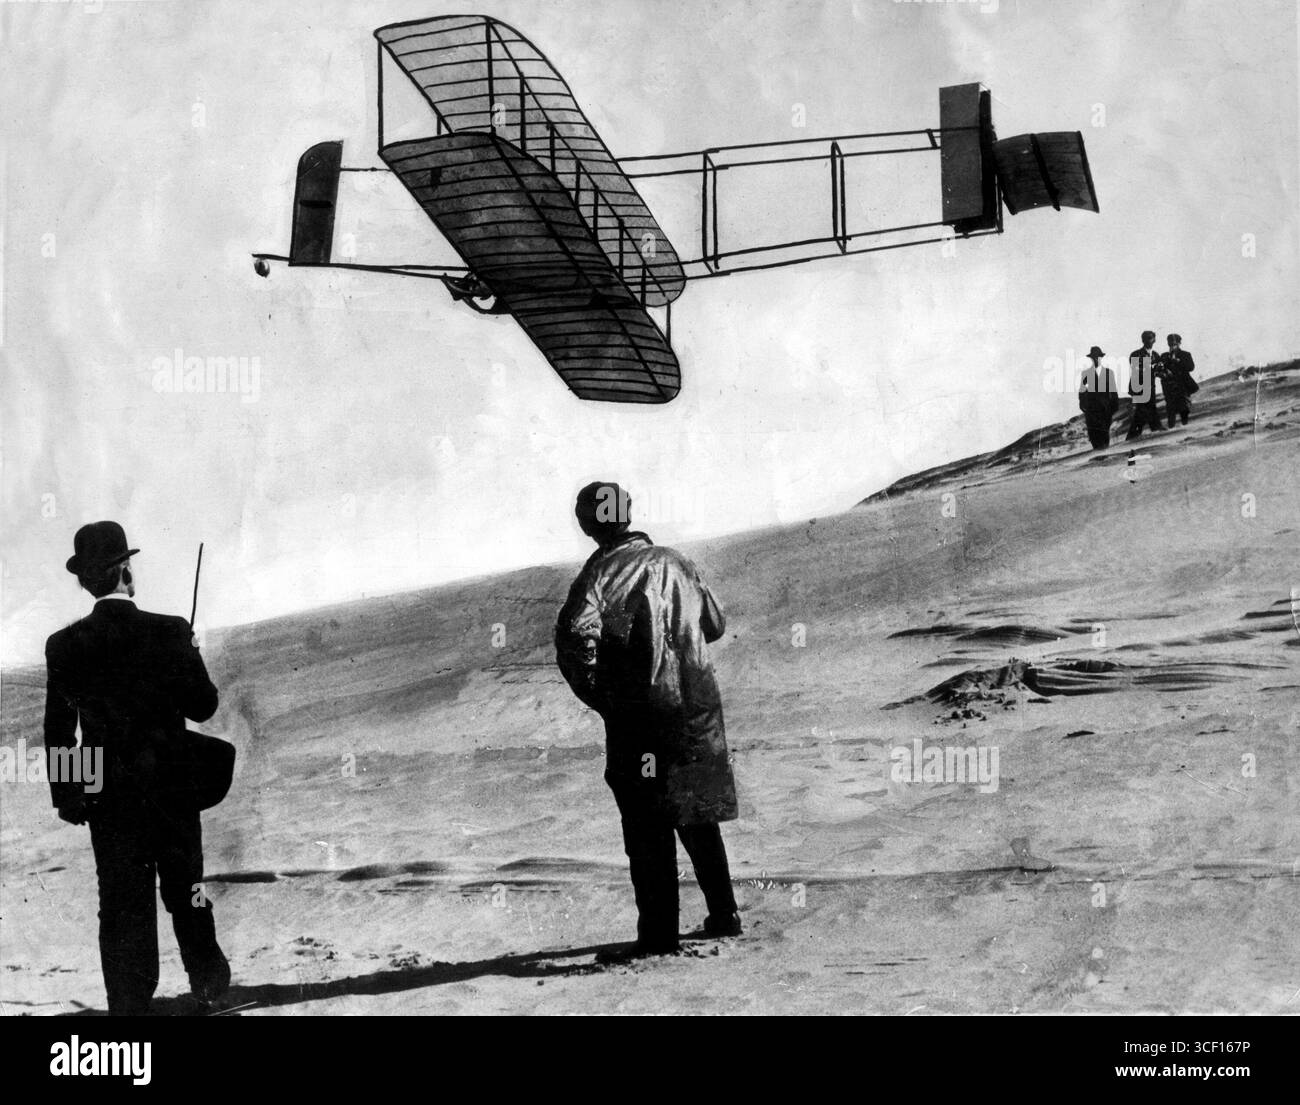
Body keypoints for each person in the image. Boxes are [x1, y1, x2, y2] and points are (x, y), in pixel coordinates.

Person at [43, 521, 230, 1014]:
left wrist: (68, 795)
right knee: (186, 889)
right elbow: (204, 707)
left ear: (86, 582)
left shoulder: (63, 646)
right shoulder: (170, 630)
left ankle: (128, 1004)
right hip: (172, 791)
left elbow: (59, 728)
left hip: (108, 798)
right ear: (126, 571)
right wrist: (190, 656)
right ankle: (208, 982)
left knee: (124, 905)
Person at [555, 482, 741, 961]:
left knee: (646, 823)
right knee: (697, 813)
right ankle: (725, 914)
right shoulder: (677, 562)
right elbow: (714, 625)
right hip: (697, 710)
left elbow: (576, 640)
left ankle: (660, 937)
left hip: (641, 719)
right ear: (629, 513)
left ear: (587, 523)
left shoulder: (598, 575)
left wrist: (604, 699)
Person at [1078, 345, 1119, 449]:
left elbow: (1114, 392)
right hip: (1092, 412)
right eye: (1094, 357)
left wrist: (1114, 407)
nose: (1096, 359)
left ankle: (1105, 460)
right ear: (1091, 358)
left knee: (1105, 437)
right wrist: (1083, 406)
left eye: (1098, 357)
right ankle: (1098, 461)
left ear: (1101, 357)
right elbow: (1082, 393)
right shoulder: (1086, 374)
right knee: (1094, 438)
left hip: (1105, 410)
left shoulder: (1109, 373)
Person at [1125, 330, 1165, 439]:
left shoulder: (1156, 355)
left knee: (1148, 409)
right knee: (1142, 410)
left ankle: (1154, 429)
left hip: (1150, 387)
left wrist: (1161, 371)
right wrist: (1153, 367)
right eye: (1147, 338)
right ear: (1143, 340)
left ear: (1154, 340)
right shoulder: (1135, 354)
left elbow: (1158, 371)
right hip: (1139, 388)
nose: (1149, 341)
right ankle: (1154, 429)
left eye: (1151, 338)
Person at [1161, 332, 1197, 427]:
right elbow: (1159, 370)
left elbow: (1191, 367)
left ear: (1179, 343)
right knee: (1170, 409)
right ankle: (1171, 428)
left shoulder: (1185, 355)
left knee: (1184, 408)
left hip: (1183, 385)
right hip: (1169, 387)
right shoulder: (1164, 356)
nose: (1173, 346)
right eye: (1171, 344)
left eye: (1175, 344)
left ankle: (1185, 427)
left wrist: (1178, 362)